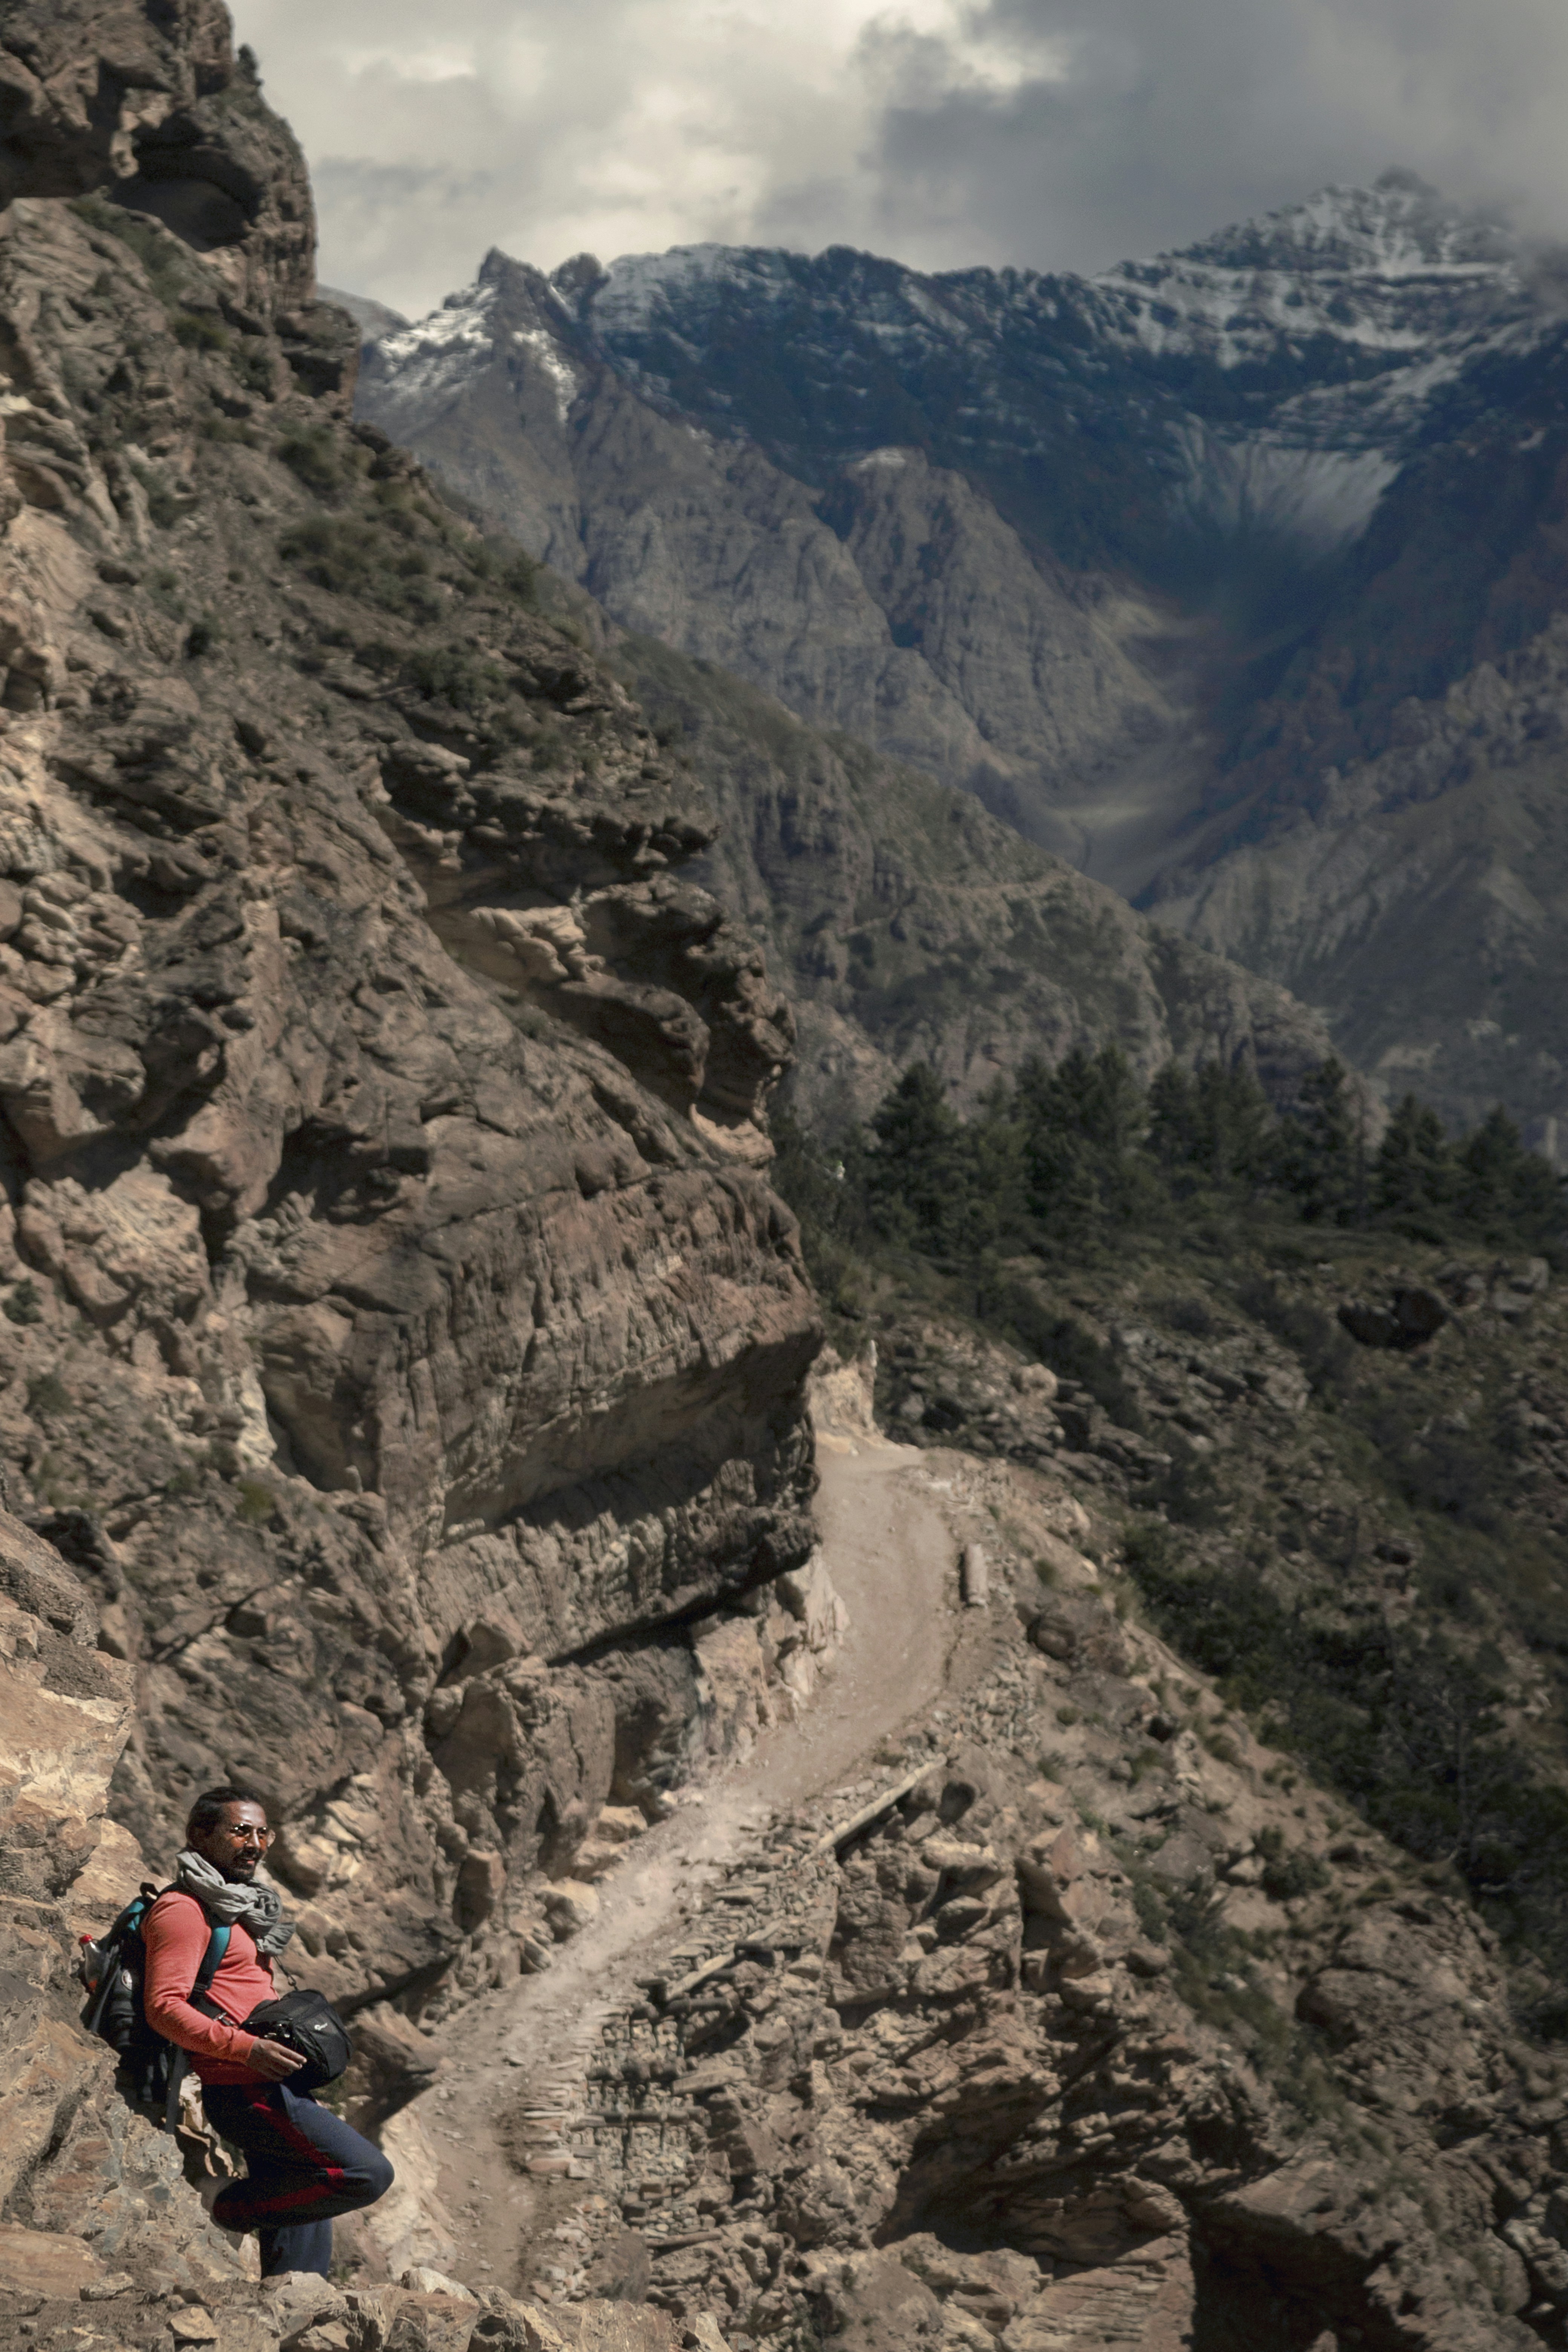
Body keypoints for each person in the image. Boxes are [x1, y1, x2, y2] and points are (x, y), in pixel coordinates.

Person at [143, 1786, 394, 2279]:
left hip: (271, 2078)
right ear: (200, 1834)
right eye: (240, 1831)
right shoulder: (185, 1910)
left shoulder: (238, 1907)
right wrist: (248, 2048)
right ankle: (227, 2208)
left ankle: (292, 2303)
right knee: (365, 2173)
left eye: (263, 1833)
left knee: (301, 2201)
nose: (255, 1844)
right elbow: (164, 2007)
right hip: (244, 2087)